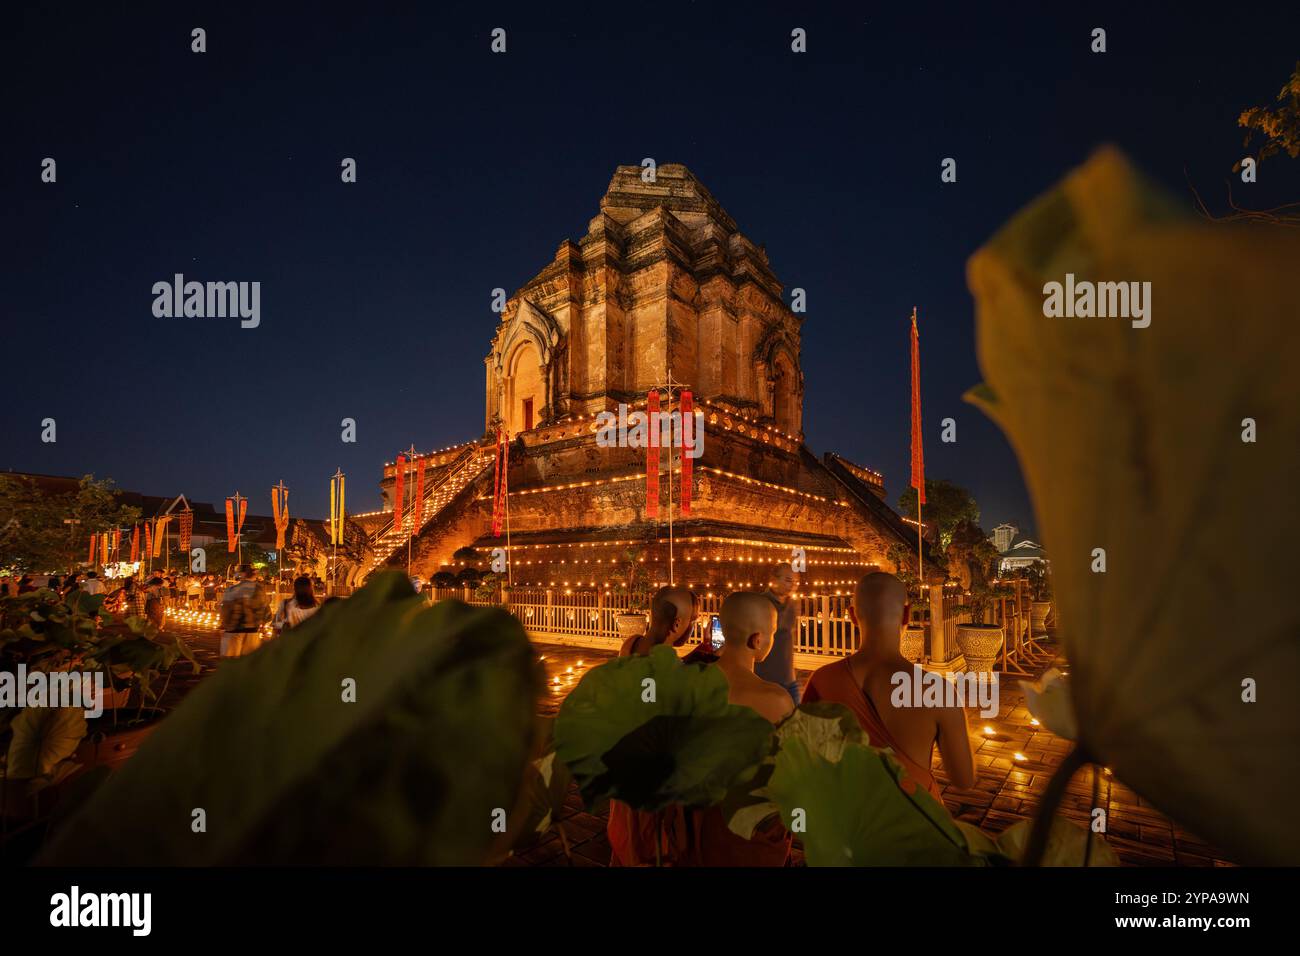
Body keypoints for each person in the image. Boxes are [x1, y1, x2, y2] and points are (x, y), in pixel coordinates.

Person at [802, 572, 975, 801]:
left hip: (847, 823)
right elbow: (963, 779)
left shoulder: (822, 680)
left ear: (852, 615)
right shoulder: (937, 691)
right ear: (906, 615)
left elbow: (804, 760)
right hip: (914, 823)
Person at [680, 591, 795, 866]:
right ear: (757, 640)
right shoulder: (775, 699)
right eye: (772, 633)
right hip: (750, 832)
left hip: (698, 826)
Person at [756, 563, 801, 705]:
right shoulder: (761, 603)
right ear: (774, 579)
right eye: (788, 580)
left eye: (795, 582)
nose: (792, 586)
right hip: (765, 680)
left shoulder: (792, 604)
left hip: (789, 679)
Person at [619, 586, 696, 658]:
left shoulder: (631, 644)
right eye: (693, 621)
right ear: (676, 625)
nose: (693, 626)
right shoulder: (668, 665)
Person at [219, 564, 270, 657]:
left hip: (234, 630)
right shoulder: (260, 589)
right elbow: (266, 611)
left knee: (231, 662)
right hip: (253, 631)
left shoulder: (232, 589)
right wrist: (263, 624)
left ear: (242, 574)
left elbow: (225, 610)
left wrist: (223, 625)